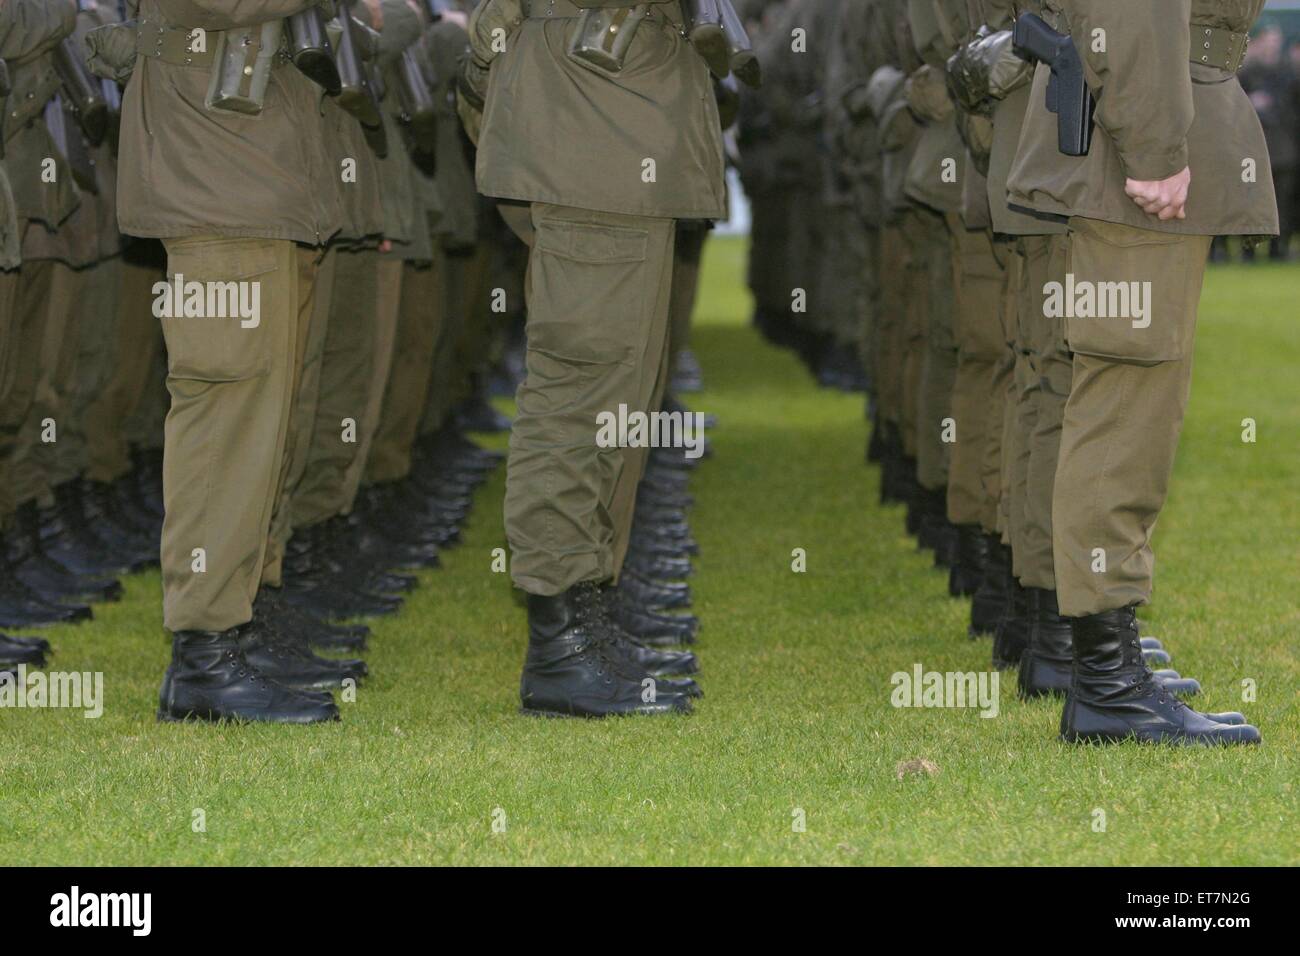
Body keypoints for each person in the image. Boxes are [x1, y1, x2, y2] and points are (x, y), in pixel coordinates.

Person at [1006, 0, 1275, 745]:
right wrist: (1156, 150)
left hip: (1133, 119)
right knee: (1125, 406)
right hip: (1137, 138)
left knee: (1126, 400)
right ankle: (1107, 687)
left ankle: (1105, 669)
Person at [462, 0, 722, 717]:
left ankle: (587, 612)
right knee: (582, 385)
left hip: (609, 124)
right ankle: (560, 642)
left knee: (620, 390)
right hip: (594, 126)